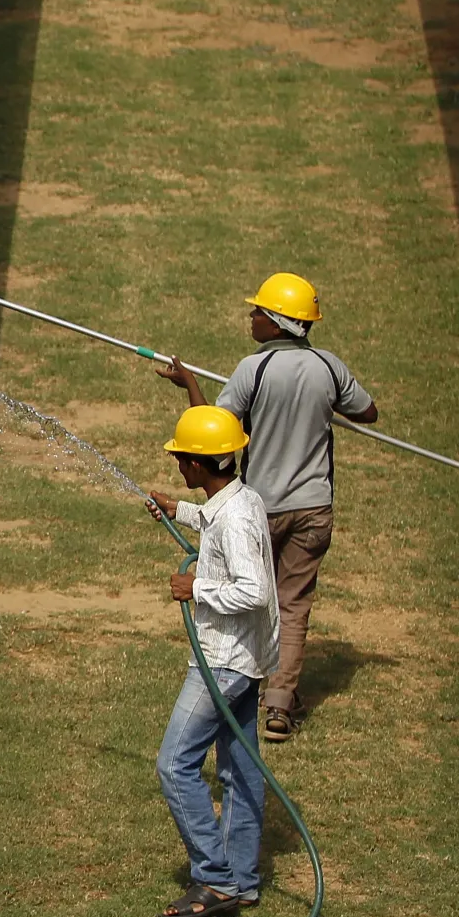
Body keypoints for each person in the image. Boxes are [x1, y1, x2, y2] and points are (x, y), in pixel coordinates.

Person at [155, 271, 375, 742]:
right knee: (292, 605)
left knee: (253, 595)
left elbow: (215, 430)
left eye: (257, 311)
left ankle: (243, 682)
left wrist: (190, 383)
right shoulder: (328, 368)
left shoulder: (252, 370)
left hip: (259, 508)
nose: (251, 316)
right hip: (314, 508)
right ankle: (278, 705)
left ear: (277, 323)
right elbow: (368, 411)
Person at [145, 404, 279, 917]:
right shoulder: (239, 499)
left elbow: (255, 590)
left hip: (221, 665)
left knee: (174, 765)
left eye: (182, 459)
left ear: (200, 464)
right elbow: (214, 520)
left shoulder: (237, 520)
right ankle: (242, 881)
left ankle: (216, 878)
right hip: (247, 663)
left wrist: (194, 588)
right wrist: (177, 509)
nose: (179, 465)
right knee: (240, 770)